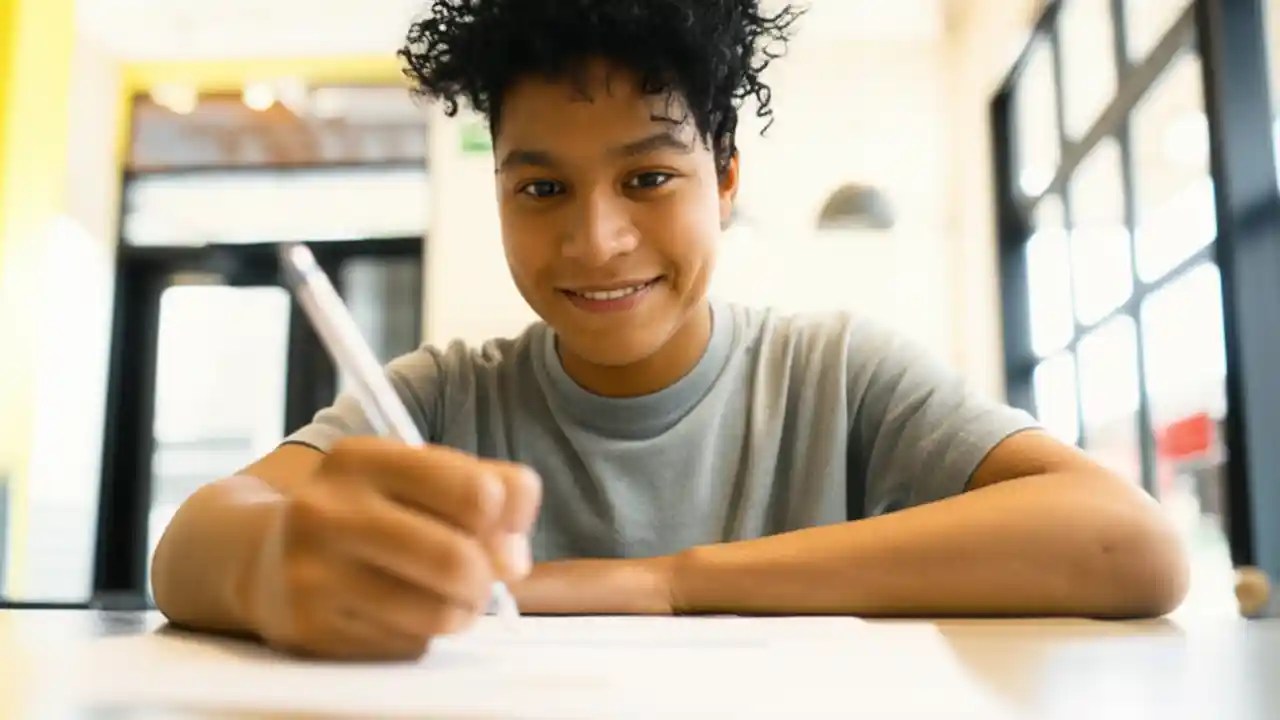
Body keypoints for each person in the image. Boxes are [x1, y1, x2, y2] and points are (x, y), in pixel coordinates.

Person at [151, 0, 1189, 660]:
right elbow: (191, 544)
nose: (595, 241)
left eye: (647, 177)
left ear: (724, 177)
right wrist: (270, 568)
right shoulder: (438, 399)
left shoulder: (837, 374)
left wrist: (662, 583)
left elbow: (1126, 544)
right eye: (542, 187)